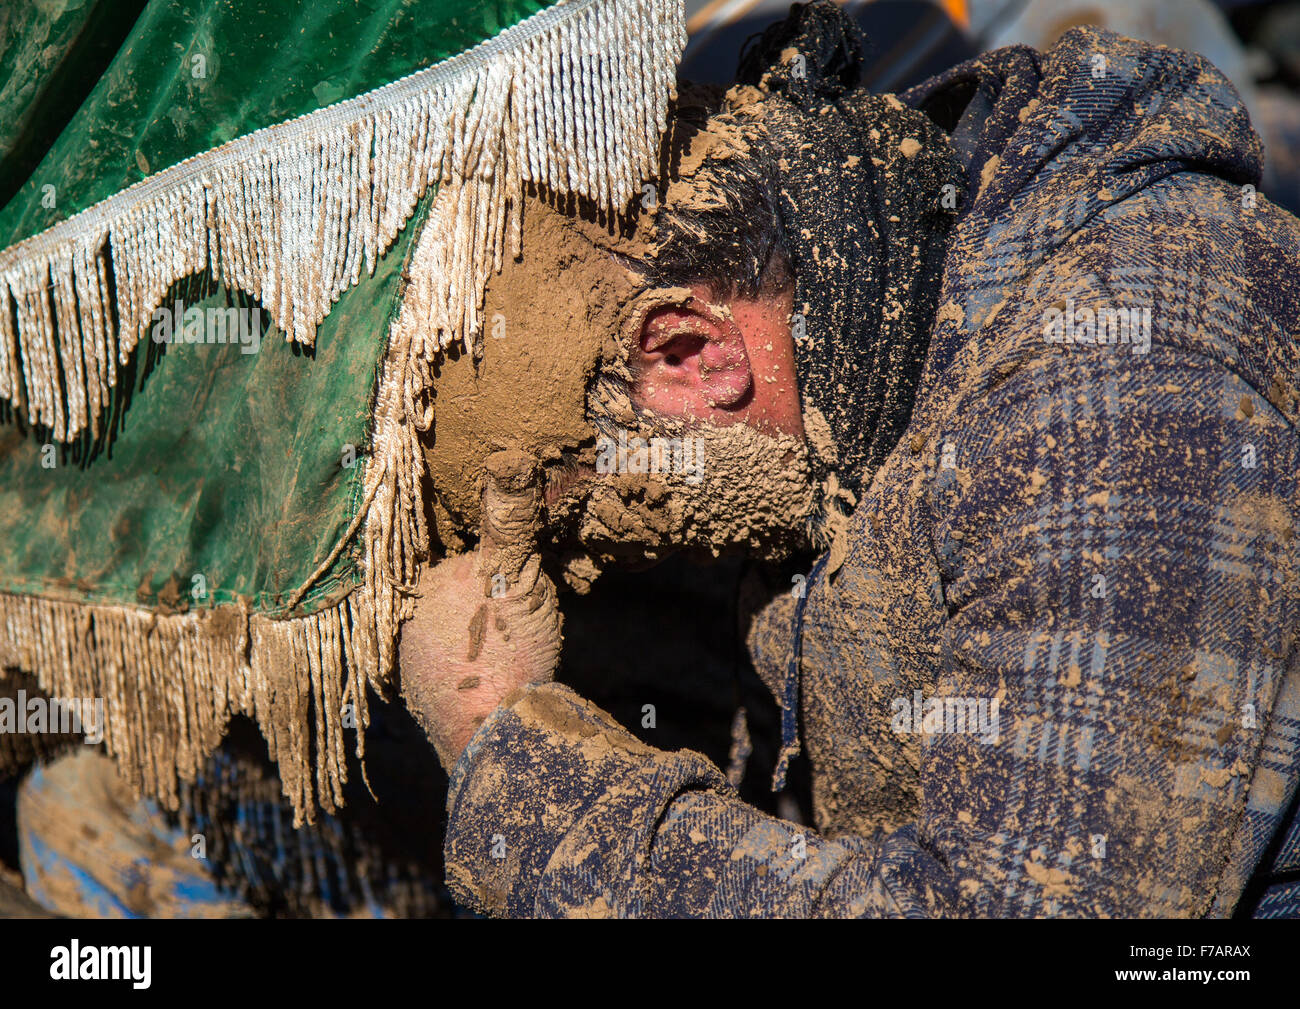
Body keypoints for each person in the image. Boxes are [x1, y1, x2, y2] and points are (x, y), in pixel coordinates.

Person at [399, 3, 1300, 917]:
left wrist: (509, 758)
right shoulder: (862, 318)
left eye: (574, 498)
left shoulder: (1120, 401)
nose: (584, 550)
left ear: (691, 352)